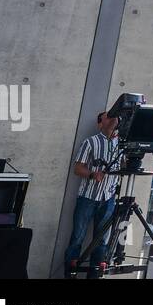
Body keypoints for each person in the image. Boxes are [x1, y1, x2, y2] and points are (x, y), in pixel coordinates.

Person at [62, 111, 120, 278]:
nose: (112, 118)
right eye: (108, 116)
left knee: (101, 242)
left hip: (108, 199)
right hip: (87, 197)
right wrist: (93, 174)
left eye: (113, 116)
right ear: (99, 123)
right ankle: (69, 275)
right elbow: (77, 168)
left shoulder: (120, 145)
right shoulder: (90, 142)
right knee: (77, 239)